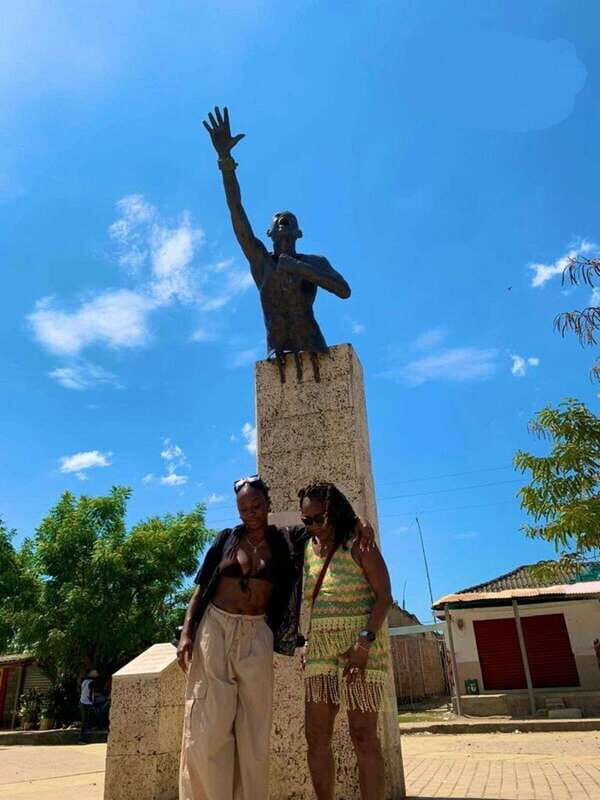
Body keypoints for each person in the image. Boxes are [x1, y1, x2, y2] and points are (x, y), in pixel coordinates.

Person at [177, 475, 373, 800]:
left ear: (268, 504)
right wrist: (187, 633)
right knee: (208, 727)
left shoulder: (287, 539)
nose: (250, 513)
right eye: (243, 508)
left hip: (256, 633)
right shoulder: (225, 539)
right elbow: (200, 589)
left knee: (255, 732)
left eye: (256, 506)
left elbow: (330, 521)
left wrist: (360, 521)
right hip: (215, 627)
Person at [203, 106, 351, 381]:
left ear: (299, 233)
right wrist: (225, 160)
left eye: (289, 219)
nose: (283, 219)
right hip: (278, 356)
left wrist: (298, 267)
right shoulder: (261, 262)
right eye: (277, 219)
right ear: (269, 233)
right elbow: (236, 209)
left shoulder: (314, 262)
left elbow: (344, 291)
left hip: (314, 350)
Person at [299, 482, 393, 800]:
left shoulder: (358, 543)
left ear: (335, 512)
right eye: (307, 520)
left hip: (361, 646)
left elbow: (384, 597)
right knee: (316, 735)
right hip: (321, 648)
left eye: (319, 517)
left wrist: (364, 644)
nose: (314, 525)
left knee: (363, 735)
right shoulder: (306, 547)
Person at [78, 669, 98, 743]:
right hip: (87, 703)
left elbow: (82, 691)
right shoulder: (92, 682)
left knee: (85, 721)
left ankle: (83, 738)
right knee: (86, 721)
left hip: (82, 701)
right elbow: (90, 693)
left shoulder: (84, 681)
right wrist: (92, 702)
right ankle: (82, 738)